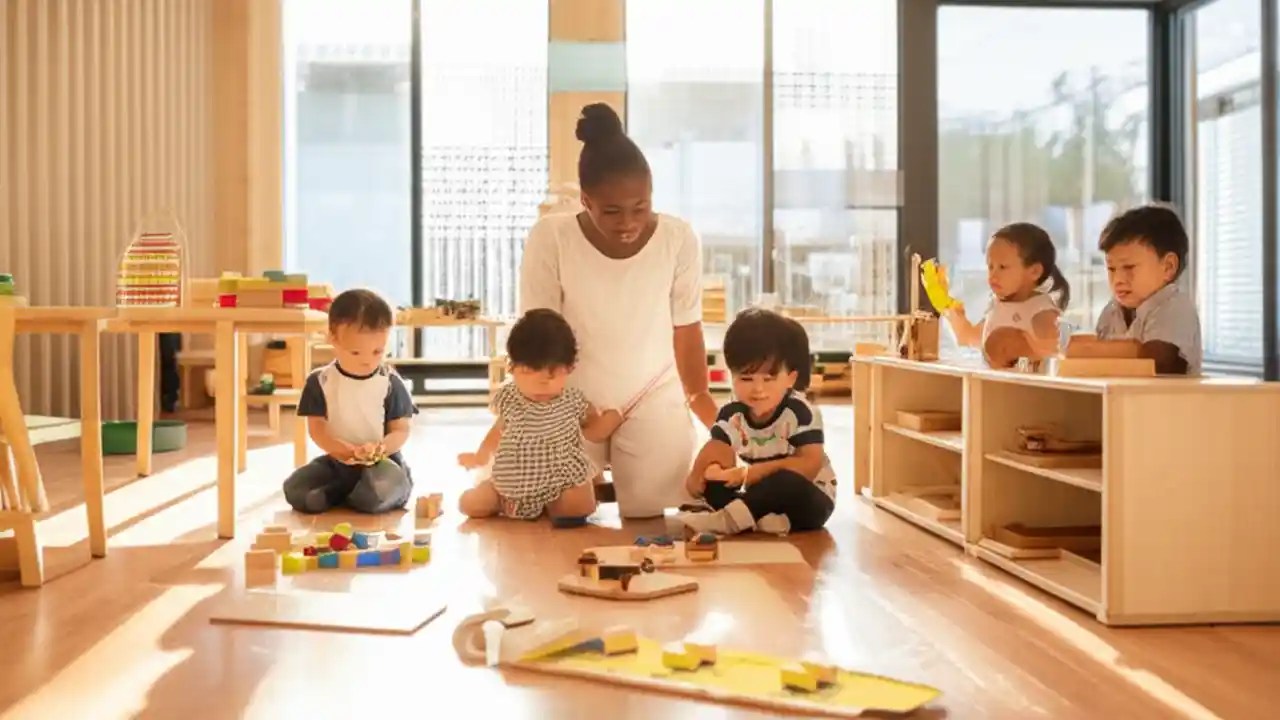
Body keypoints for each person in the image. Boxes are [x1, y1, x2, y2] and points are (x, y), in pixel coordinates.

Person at [519, 103, 718, 519]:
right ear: (585, 200)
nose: (628, 222)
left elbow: (687, 329)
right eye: (611, 211)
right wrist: (534, 413)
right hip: (568, 399)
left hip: (651, 393)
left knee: (651, 508)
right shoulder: (551, 236)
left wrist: (703, 404)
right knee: (557, 510)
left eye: (640, 207)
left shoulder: (679, 238)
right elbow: (537, 336)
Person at [675, 308, 835, 537]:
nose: (758, 389)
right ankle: (759, 519)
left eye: (769, 379)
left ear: (791, 378)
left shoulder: (800, 412)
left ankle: (731, 520)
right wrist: (702, 474)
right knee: (717, 484)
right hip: (759, 492)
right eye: (746, 378)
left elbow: (809, 465)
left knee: (785, 481)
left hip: (808, 498)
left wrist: (750, 474)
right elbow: (716, 448)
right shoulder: (733, 413)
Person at [456, 309, 624, 521]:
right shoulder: (511, 398)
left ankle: (563, 502)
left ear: (570, 368)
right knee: (470, 505)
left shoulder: (573, 401)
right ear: (512, 367)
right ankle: (508, 502)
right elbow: (497, 432)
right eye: (528, 372)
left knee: (580, 506)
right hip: (511, 484)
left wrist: (612, 418)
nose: (539, 383)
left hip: (560, 481)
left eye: (551, 375)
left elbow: (595, 431)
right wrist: (479, 457)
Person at [282, 289, 415, 514]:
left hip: (381, 464)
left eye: (377, 351)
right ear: (332, 338)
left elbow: (401, 430)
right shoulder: (320, 381)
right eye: (355, 352)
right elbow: (317, 429)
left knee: (381, 488)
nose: (367, 360)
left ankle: (356, 494)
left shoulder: (390, 382)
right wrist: (339, 449)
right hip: (338, 462)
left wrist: (380, 449)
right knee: (294, 487)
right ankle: (343, 491)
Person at [943, 222, 1071, 368]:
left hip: (1023, 387)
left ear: (1034, 271)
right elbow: (972, 339)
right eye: (990, 266)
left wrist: (1017, 346)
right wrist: (955, 315)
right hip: (993, 385)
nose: (993, 275)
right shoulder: (996, 305)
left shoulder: (1041, 310)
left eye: (1002, 267)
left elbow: (1053, 354)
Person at [1094, 204, 1202, 375]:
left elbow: (1155, 365)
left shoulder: (1174, 307)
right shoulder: (1111, 311)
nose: (1118, 280)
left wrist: (1095, 355)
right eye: (1111, 269)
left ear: (1168, 267)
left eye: (1129, 267)